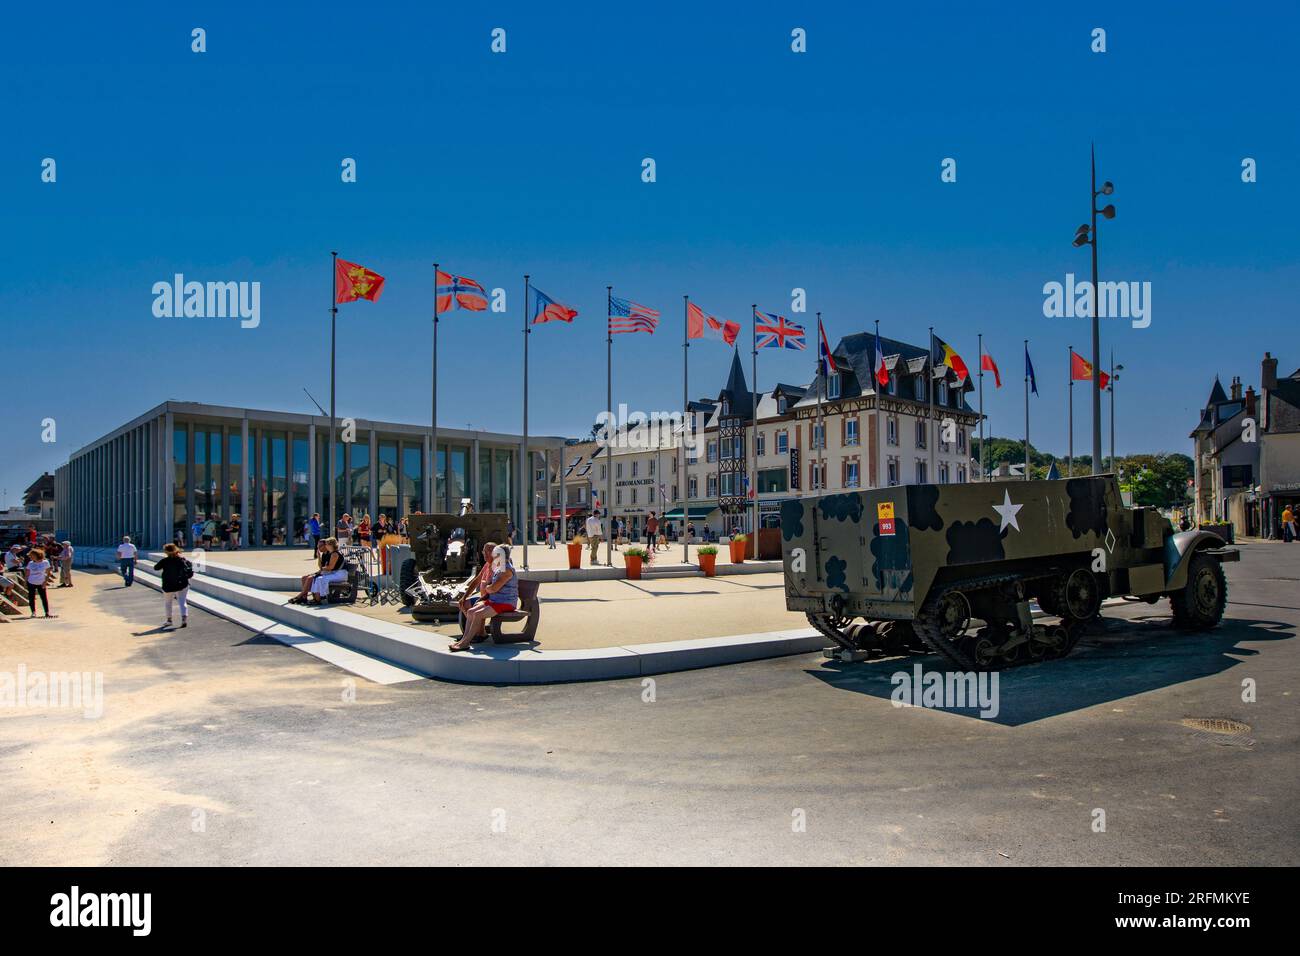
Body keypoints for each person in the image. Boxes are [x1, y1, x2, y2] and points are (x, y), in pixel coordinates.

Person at [451, 544, 517, 652]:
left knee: (477, 614)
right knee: (472, 611)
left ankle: (466, 642)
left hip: (505, 603)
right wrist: (488, 589)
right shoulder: (499, 567)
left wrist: (487, 588)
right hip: (495, 601)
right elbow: (489, 586)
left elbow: (493, 588)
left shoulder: (506, 570)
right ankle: (464, 639)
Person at [154, 543, 194, 628]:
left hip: (168, 585)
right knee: (182, 601)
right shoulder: (182, 560)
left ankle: (169, 620)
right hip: (182, 583)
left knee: (168, 602)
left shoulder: (164, 561)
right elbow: (189, 571)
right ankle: (184, 619)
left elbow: (156, 568)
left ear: (166, 551)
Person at [306, 538, 347, 605]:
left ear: (331, 545)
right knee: (317, 578)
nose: (326, 546)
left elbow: (330, 567)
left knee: (320, 579)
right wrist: (319, 558)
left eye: (327, 544)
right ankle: (317, 599)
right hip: (335, 573)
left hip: (340, 574)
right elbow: (327, 567)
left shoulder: (334, 554)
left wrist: (322, 569)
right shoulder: (331, 553)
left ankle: (320, 598)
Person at [24, 547, 52, 618]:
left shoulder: (45, 562)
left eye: (32, 556)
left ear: (37, 555)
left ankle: (47, 612)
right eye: (30, 556)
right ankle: (33, 612)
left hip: (41, 582)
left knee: (44, 597)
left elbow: (49, 573)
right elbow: (27, 573)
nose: (31, 557)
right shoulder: (30, 563)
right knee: (31, 597)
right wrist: (25, 582)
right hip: (31, 582)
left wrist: (45, 582)